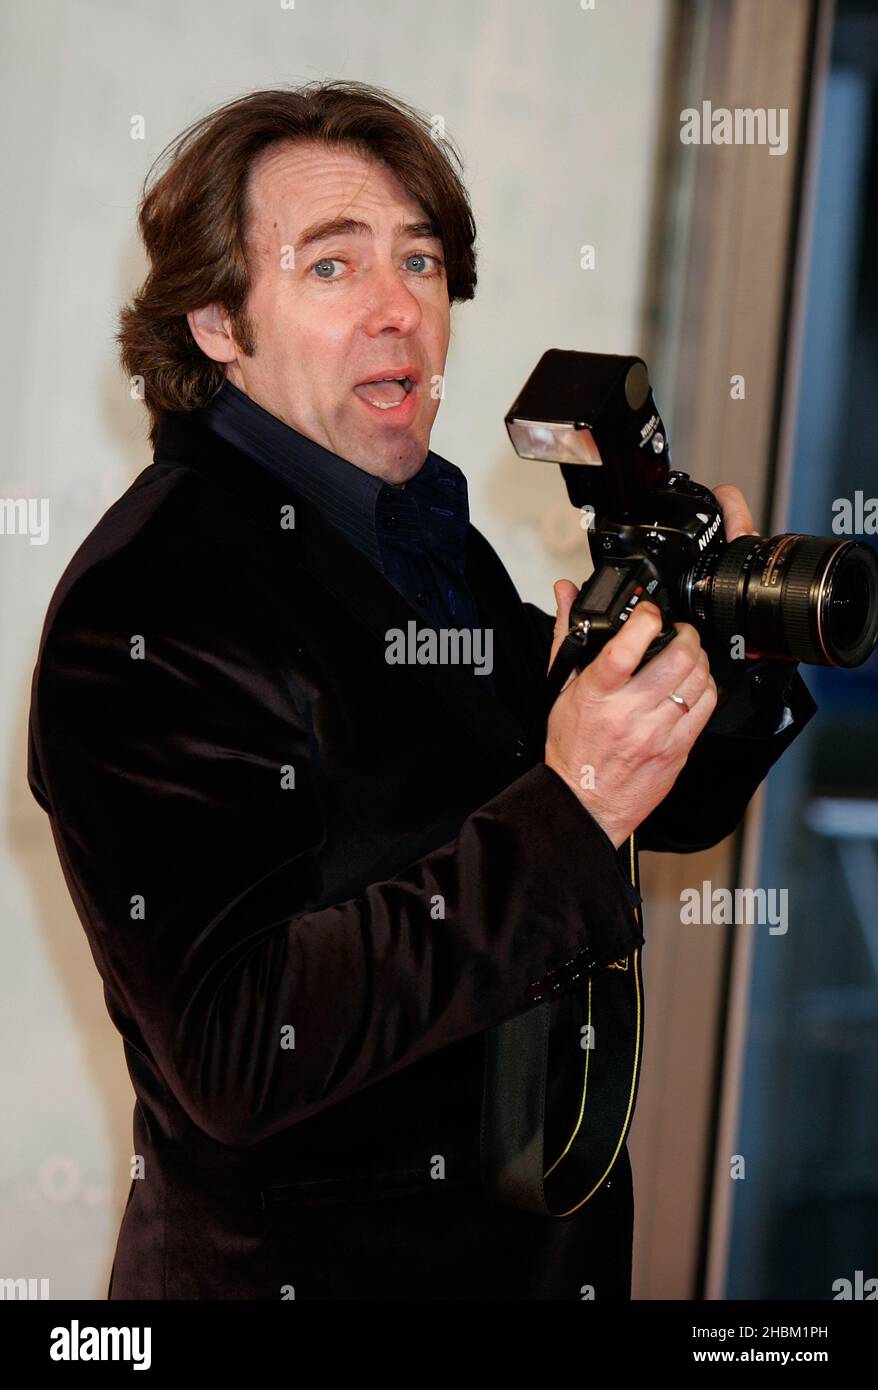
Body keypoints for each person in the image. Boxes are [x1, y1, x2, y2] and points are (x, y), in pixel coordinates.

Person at [26, 80, 816, 1300]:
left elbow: (637, 809)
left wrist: (725, 640)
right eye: (332, 268)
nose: (401, 309)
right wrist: (569, 802)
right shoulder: (148, 601)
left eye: (423, 261)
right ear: (215, 322)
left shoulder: (417, 534)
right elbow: (238, 1050)